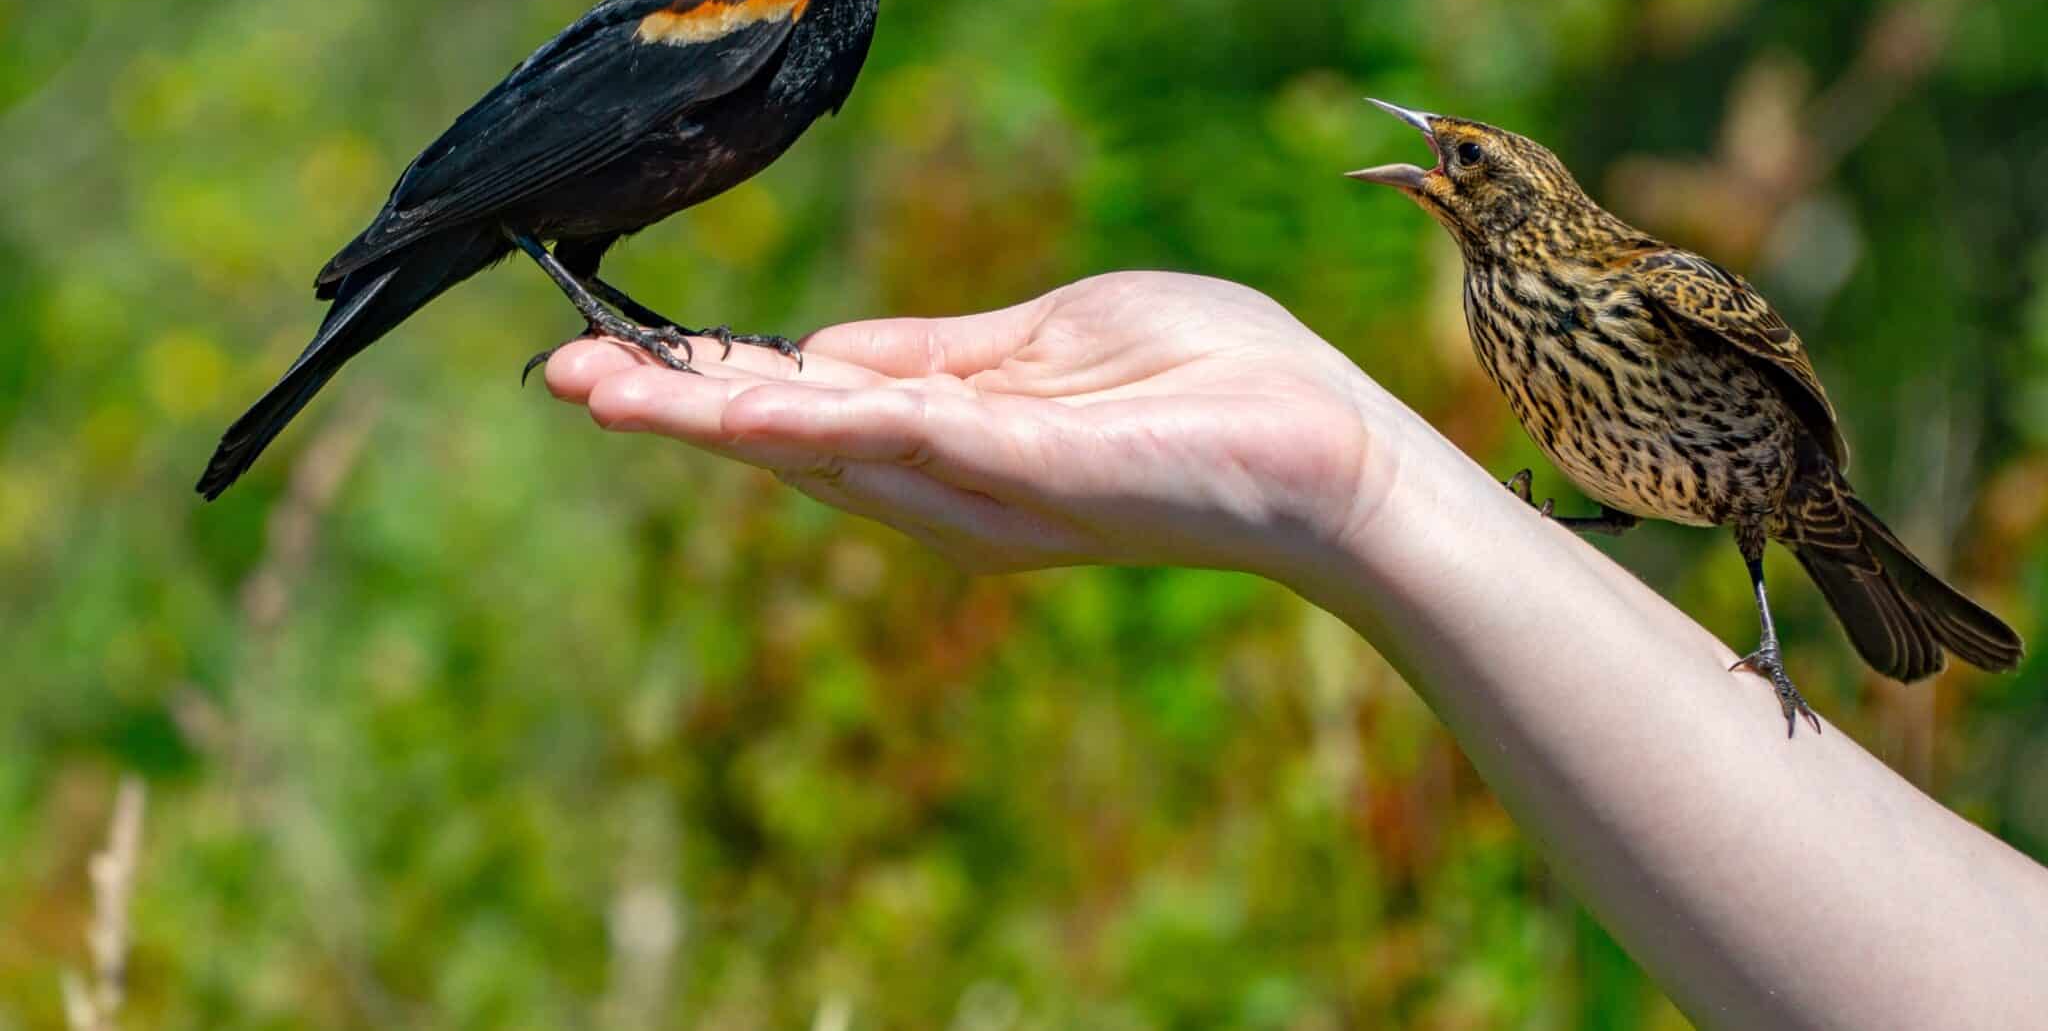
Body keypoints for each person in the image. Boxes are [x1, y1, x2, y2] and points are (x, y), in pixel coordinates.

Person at [542, 270, 2047, 1029]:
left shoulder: (1649, 289)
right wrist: (1373, 488)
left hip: (1781, 500)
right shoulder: (1512, 329)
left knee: (1780, 539)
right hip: (1605, 498)